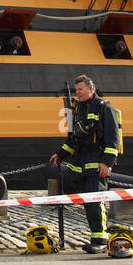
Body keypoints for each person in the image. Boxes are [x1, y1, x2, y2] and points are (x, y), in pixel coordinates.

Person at [50, 74, 120, 253]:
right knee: (88, 203)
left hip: (97, 164)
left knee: (96, 202)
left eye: (81, 89)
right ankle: (96, 238)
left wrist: (106, 163)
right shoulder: (77, 109)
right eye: (76, 90)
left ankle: (100, 240)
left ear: (91, 89)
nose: (78, 93)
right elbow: (74, 139)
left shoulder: (104, 108)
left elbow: (113, 139)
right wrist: (60, 154)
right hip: (82, 164)